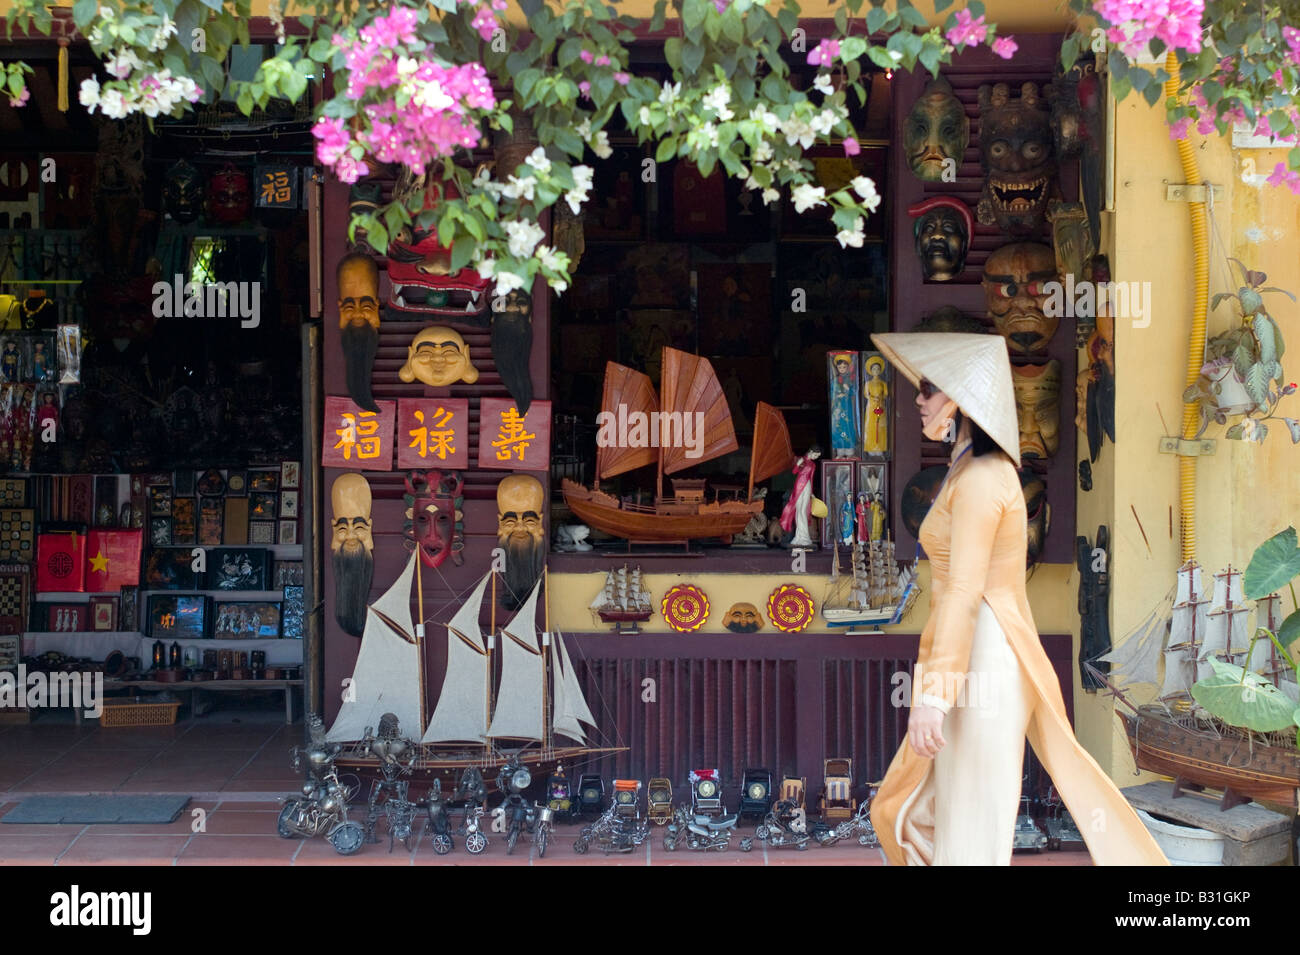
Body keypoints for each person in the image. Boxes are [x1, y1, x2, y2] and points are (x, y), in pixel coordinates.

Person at [867, 332, 1167, 866]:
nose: (918, 399)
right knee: (945, 808)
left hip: (985, 651)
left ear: (959, 399)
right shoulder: (967, 470)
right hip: (972, 650)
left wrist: (933, 695)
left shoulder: (984, 478)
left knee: (973, 822)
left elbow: (964, 588)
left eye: (929, 389)